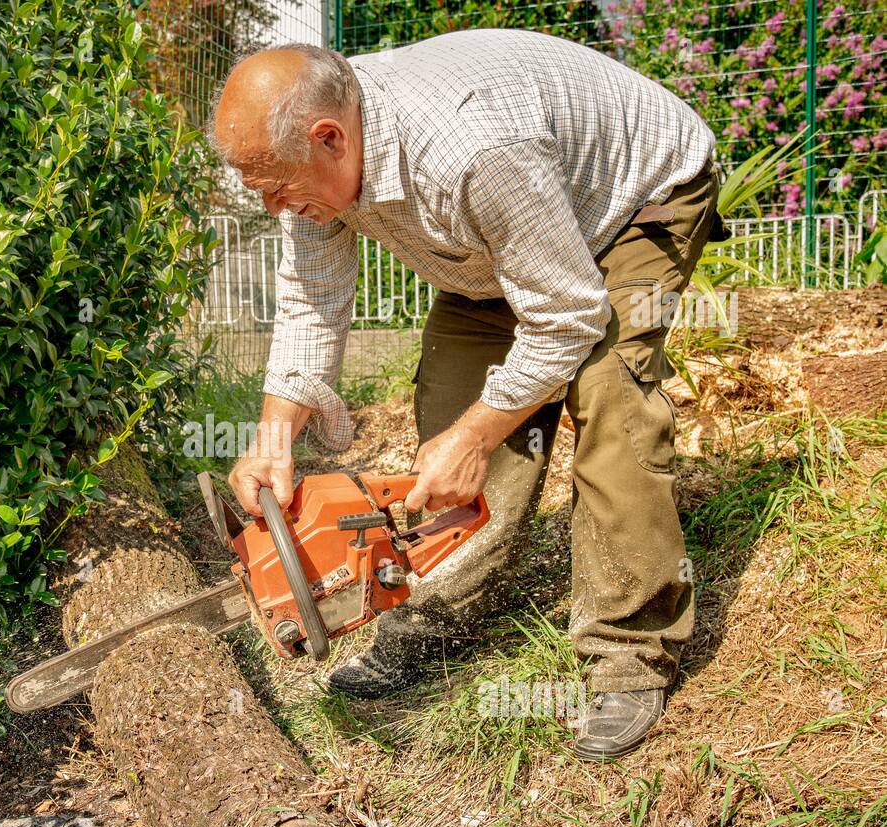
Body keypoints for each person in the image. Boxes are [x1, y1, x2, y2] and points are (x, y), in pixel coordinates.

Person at [205, 29, 731, 760]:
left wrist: (483, 435)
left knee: (610, 398)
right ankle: (440, 614)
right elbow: (311, 301)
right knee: (449, 414)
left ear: (330, 139)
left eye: (277, 189)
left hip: (630, 202)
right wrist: (273, 439)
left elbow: (569, 314)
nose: (274, 209)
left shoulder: (471, 148)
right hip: (496, 247)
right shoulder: (316, 166)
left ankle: (628, 654)